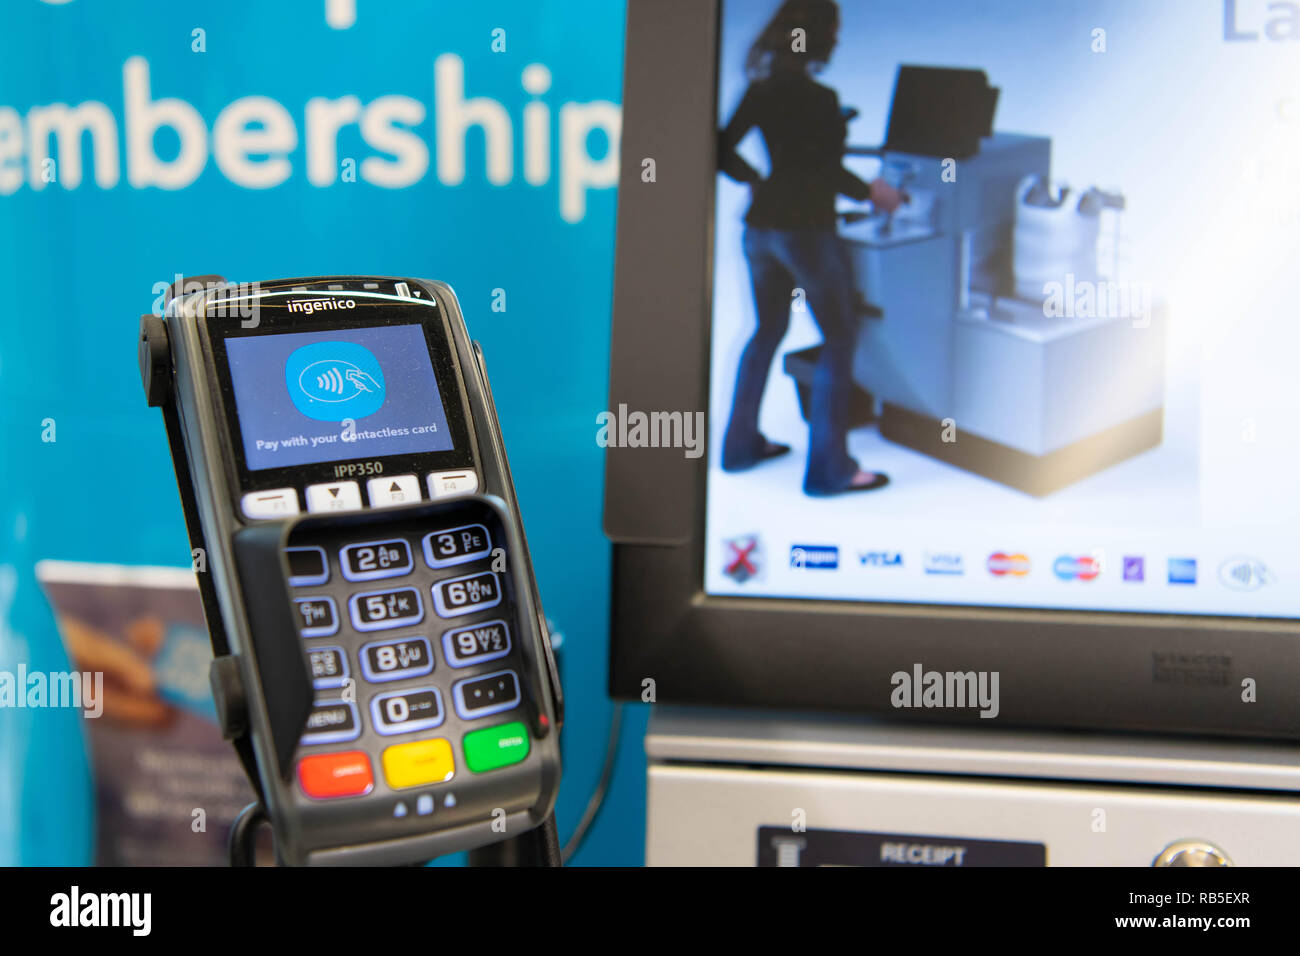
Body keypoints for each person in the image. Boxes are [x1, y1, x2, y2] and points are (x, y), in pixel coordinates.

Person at [718, 0, 902, 496]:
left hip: (759, 230)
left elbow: (721, 147)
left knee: (766, 330)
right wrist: (874, 194)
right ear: (819, 36)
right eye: (833, 31)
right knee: (839, 339)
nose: (837, 40)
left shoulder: (761, 89)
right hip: (806, 232)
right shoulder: (821, 98)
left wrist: (754, 179)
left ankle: (739, 448)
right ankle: (829, 470)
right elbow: (825, 170)